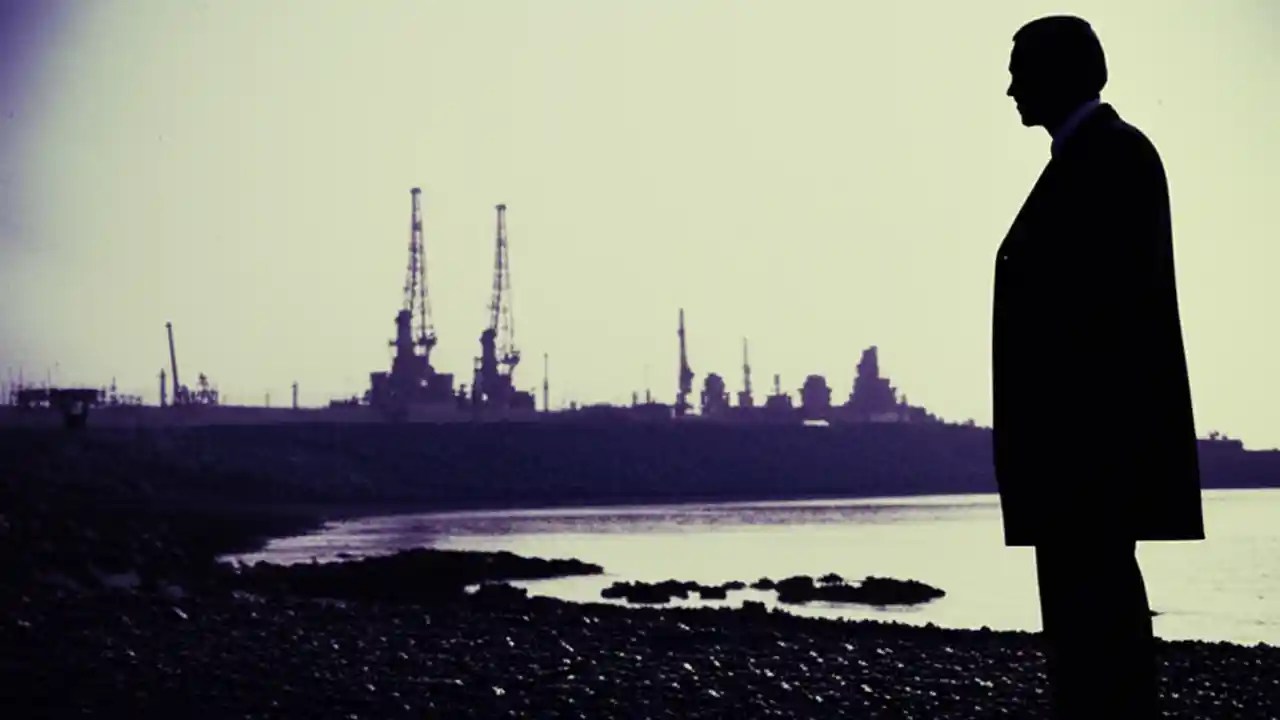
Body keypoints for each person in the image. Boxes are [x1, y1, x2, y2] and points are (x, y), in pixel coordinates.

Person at [992, 15, 1204, 719]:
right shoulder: (1097, 157)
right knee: (1086, 636)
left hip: (1087, 459)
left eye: (1021, 69)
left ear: (1059, 72)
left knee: (1097, 639)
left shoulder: (1112, 157)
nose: (1011, 87)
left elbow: (1109, 314)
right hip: (1078, 460)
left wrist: (1076, 444)